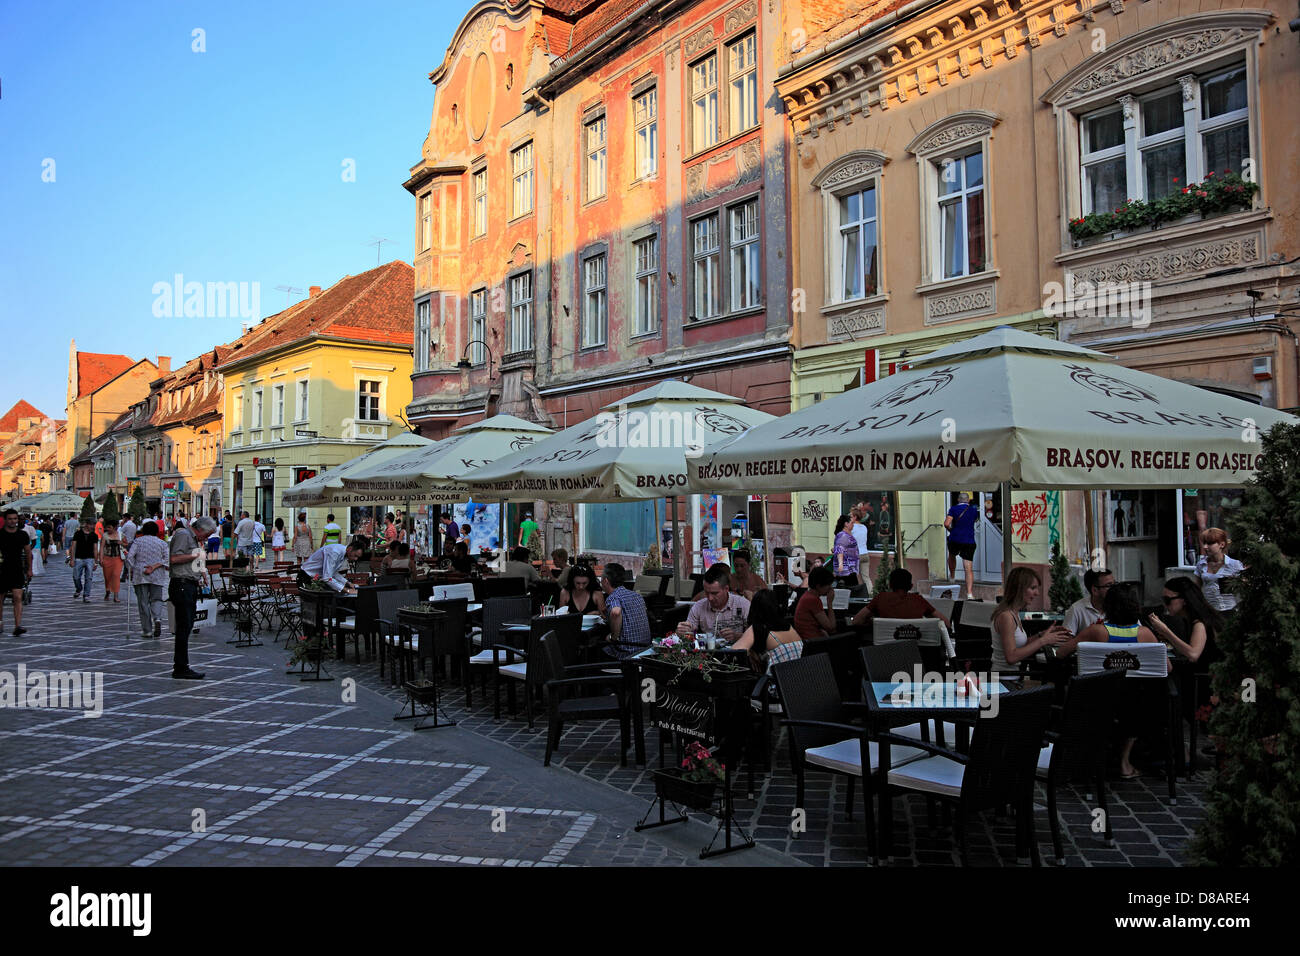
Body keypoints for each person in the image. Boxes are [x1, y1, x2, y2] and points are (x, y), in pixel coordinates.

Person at [1062, 584, 1159, 778]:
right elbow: (1166, 667)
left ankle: (1090, 761)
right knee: (1139, 700)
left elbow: (1061, 652)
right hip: (1133, 705)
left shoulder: (1095, 631)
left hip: (1095, 701)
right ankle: (1124, 762)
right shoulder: (1144, 634)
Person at [990, 567, 1071, 674]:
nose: (1037, 593)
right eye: (1033, 588)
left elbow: (1022, 644)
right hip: (1003, 681)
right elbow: (1011, 657)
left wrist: (1042, 635)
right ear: (1019, 589)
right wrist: (1044, 641)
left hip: (1011, 678)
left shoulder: (1013, 613)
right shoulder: (1006, 617)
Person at [168, 515, 216, 680]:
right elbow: (174, 558)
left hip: (188, 584)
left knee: (187, 625)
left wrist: (202, 573)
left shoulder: (193, 539)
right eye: (207, 534)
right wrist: (196, 557)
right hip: (181, 585)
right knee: (184, 626)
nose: (207, 538)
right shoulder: (183, 535)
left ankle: (182, 665)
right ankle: (180, 667)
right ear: (200, 529)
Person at [1146, 576, 1222, 667]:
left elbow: (1193, 655)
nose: (1165, 605)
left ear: (1184, 600)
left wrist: (1165, 631)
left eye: (1167, 600)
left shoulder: (1199, 623)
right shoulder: (1189, 620)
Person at [850, 567, 952, 629]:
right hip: (915, 658)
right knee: (918, 664)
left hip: (885, 658)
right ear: (911, 586)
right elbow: (946, 624)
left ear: (890, 585)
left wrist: (872, 622)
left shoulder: (881, 598)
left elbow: (855, 621)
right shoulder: (919, 601)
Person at [731, 588, 804, 669]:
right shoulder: (788, 626)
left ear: (753, 608)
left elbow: (734, 654)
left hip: (778, 679)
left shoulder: (757, 627)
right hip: (800, 675)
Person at [680, 564, 751, 641]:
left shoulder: (743, 604)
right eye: (707, 592)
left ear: (726, 589)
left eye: (715, 593)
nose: (710, 598)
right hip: (708, 651)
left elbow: (755, 634)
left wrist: (737, 636)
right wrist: (683, 631)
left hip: (737, 650)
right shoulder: (699, 606)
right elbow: (689, 631)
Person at [126, 520, 169, 638]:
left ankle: (147, 630)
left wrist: (132, 568)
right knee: (156, 599)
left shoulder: (137, 541)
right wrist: (156, 566)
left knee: (143, 602)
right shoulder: (162, 543)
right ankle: (158, 618)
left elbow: (129, 557)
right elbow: (167, 560)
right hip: (157, 575)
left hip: (141, 574)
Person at [600, 563, 651, 659]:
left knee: (595, 650)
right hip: (644, 648)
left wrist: (613, 638)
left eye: (601, 579)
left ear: (606, 581)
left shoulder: (613, 597)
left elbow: (616, 612)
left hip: (627, 652)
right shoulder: (636, 595)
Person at [1195, 528, 1244, 613]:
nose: (1205, 547)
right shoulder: (1201, 564)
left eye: (1210, 543)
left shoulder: (1234, 564)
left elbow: (1245, 589)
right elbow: (1196, 590)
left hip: (1230, 611)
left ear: (1221, 544)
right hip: (1210, 612)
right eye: (1204, 543)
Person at [0, 509, 33, 636]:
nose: (13, 521)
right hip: (2, 569)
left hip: (17, 568)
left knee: (18, 597)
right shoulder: (0, 534)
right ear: (5, 520)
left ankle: (17, 625)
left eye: (15, 519)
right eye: (10, 519)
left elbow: (28, 552)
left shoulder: (22, 535)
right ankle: (0, 622)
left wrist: (30, 569)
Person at [299, 536, 366, 593]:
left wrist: (347, 583)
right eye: (355, 555)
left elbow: (333, 573)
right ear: (350, 549)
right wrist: (347, 590)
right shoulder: (335, 552)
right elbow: (327, 578)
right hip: (306, 576)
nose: (355, 559)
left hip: (314, 577)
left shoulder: (341, 553)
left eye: (358, 557)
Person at [945, 492, 979, 599]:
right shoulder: (973, 510)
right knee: (968, 568)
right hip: (968, 540)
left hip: (955, 539)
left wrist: (952, 530)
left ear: (958, 500)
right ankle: (969, 593)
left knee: (952, 555)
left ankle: (952, 576)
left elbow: (946, 523)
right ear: (968, 500)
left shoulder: (953, 509)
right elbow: (975, 520)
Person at [1064, 568, 1115, 637]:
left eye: (1115, 584)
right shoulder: (1076, 609)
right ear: (1095, 590)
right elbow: (1066, 639)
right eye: (1109, 585)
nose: (1114, 588)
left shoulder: (1120, 607)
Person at [792, 564, 837, 641]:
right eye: (828, 585)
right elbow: (831, 628)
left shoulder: (808, 595)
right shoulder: (812, 600)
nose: (830, 588)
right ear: (818, 586)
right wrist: (830, 603)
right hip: (814, 643)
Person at [68, 517, 98, 603]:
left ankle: (86, 595)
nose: (93, 526)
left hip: (90, 558)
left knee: (89, 578)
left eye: (94, 525)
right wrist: (72, 559)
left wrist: (96, 562)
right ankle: (79, 588)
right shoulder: (78, 534)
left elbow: (95, 549)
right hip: (78, 558)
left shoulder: (94, 535)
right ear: (86, 524)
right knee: (76, 577)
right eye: (91, 524)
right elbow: (73, 547)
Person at [97, 518, 124, 603]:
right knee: (107, 577)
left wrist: (122, 543)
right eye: (107, 527)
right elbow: (101, 548)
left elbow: (126, 544)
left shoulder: (120, 535)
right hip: (107, 558)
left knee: (116, 575)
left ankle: (116, 595)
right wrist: (100, 559)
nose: (107, 529)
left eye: (109, 527)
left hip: (118, 558)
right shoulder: (105, 536)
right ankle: (107, 591)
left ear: (115, 527)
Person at [831, 514, 860, 586]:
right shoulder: (843, 535)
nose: (853, 525)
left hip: (849, 570)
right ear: (846, 524)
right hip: (846, 571)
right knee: (851, 593)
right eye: (852, 523)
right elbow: (840, 549)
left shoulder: (845, 535)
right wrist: (840, 565)